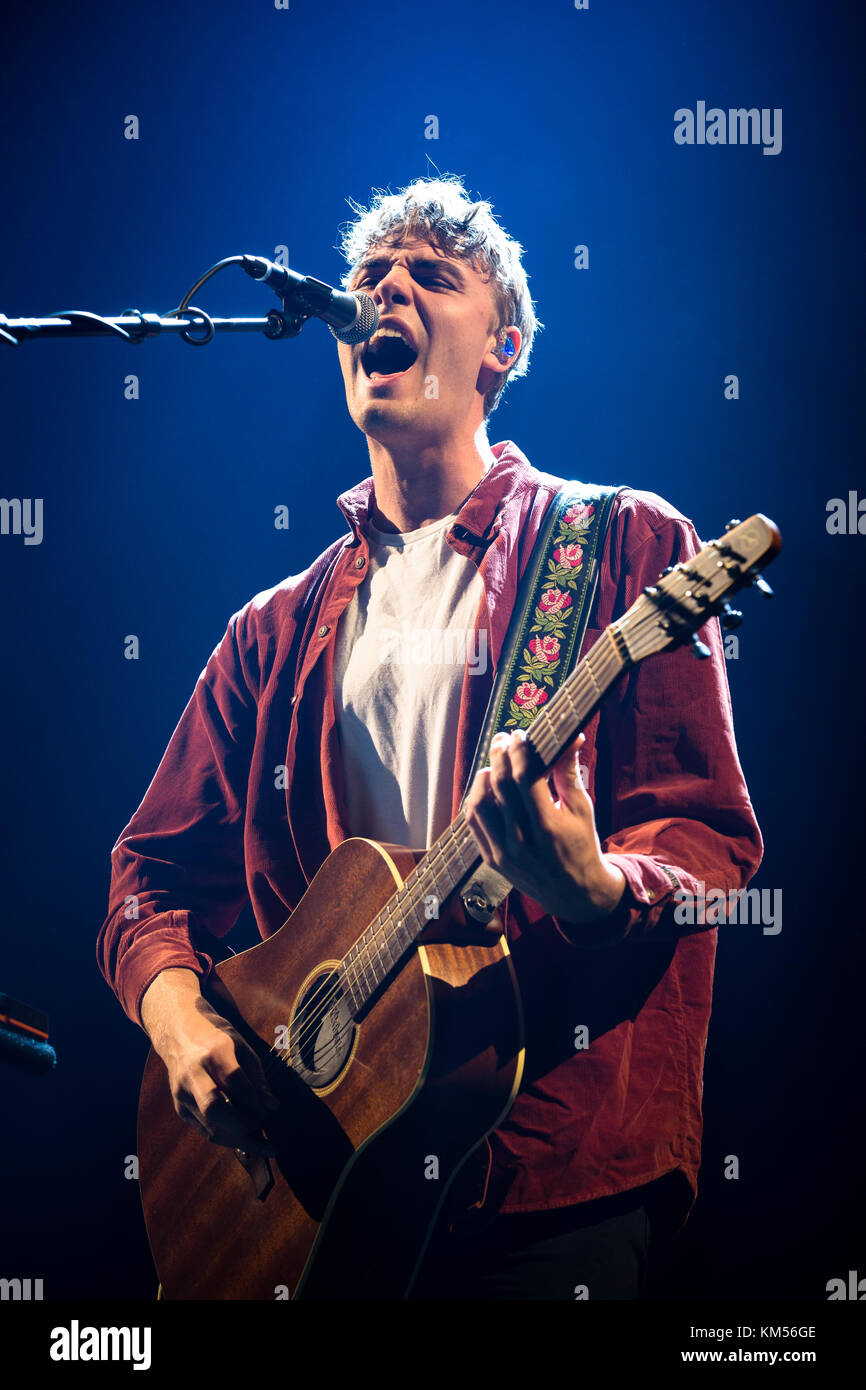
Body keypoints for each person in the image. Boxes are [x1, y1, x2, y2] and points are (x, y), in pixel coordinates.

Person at [97, 174, 763, 1301]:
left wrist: (596, 886)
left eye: (429, 278)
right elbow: (147, 873)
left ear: (502, 347)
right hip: (313, 1182)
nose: (380, 293)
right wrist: (174, 1017)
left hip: (547, 1175)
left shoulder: (619, 543)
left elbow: (703, 835)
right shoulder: (270, 630)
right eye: (365, 279)